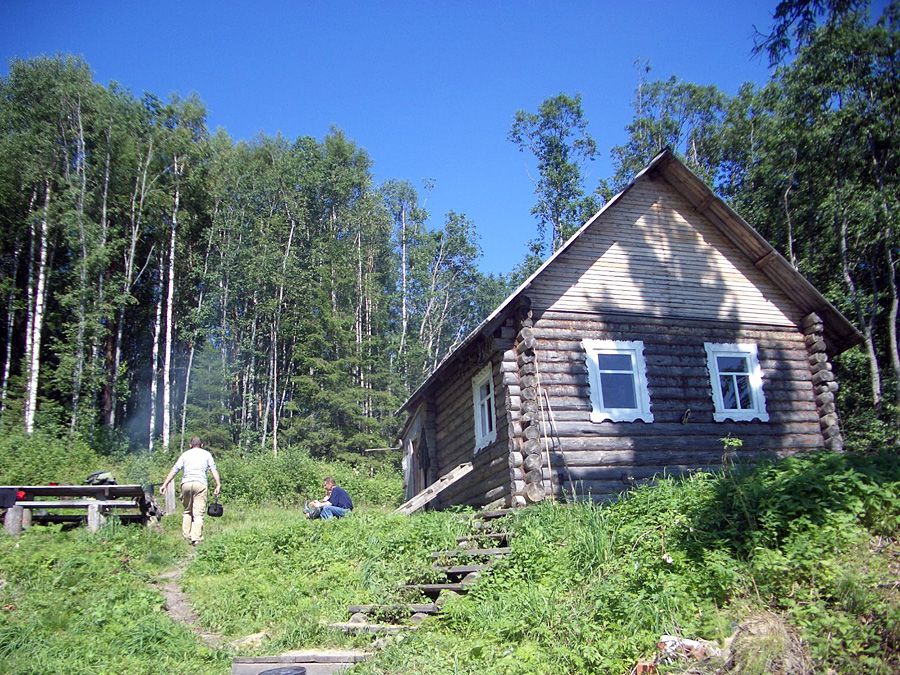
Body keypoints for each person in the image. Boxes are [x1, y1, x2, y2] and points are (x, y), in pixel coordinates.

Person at [160, 436, 221, 545]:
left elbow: (175, 470)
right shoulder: (207, 454)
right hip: (200, 484)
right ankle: (196, 538)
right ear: (201, 445)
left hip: (186, 484)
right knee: (198, 514)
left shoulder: (185, 455)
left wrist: (165, 484)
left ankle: (186, 535)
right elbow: (213, 470)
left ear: (190, 445)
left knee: (187, 511)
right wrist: (218, 484)